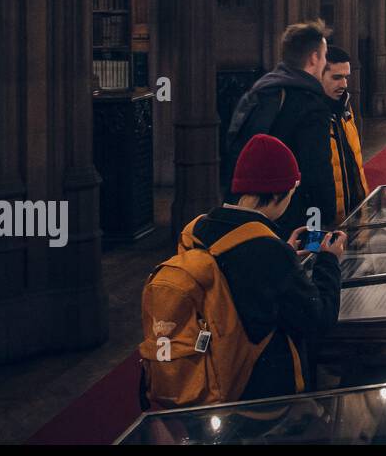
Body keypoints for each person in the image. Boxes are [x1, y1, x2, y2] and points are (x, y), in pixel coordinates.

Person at [147, 134, 344, 405]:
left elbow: (239, 278)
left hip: (208, 369)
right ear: (278, 193)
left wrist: (282, 251)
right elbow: (318, 319)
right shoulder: (269, 252)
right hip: (257, 394)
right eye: (291, 191)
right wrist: (329, 260)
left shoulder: (199, 228)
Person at [222, 20, 336, 236]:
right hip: (293, 214)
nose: (325, 63)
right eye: (324, 55)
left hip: (251, 209)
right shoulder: (310, 104)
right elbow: (316, 171)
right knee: (302, 262)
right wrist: (325, 221)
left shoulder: (260, 91)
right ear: (314, 58)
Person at [322, 45, 368, 223]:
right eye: (336, 78)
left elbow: (353, 161)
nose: (344, 84)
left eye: (345, 77)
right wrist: (314, 242)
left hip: (354, 212)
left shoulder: (345, 105)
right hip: (328, 221)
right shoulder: (311, 116)